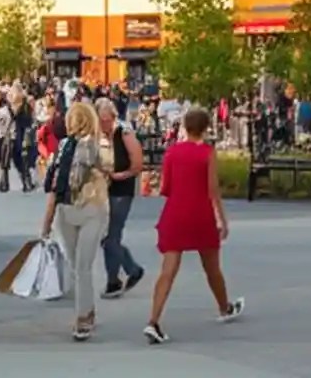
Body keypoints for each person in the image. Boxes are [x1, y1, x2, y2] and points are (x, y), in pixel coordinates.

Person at [144, 109, 244, 344]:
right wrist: (222, 218)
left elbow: (166, 187)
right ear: (206, 128)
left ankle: (153, 320)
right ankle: (224, 307)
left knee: (168, 271)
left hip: (175, 214)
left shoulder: (172, 152)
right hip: (200, 215)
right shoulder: (207, 153)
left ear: (184, 127)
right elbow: (212, 189)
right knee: (212, 267)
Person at [41, 101, 112, 341]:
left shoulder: (89, 146)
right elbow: (56, 183)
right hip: (76, 209)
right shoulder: (70, 147)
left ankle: (83, 316)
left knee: (81, 266)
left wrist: (46, 222)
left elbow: (55, 186)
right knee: (78, 266)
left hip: (80, 209)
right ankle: (87, 311)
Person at [95, 98, 147, 299]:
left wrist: (120, 175)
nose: (104, 124)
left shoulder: (124, 132)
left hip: (121, 190)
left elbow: (137, 164)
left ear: (113, 117)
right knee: (106, 236)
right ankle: (129, 271)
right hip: (103, 189)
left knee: (111, 236)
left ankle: (114, 281)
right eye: (100, 120)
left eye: (106, 120)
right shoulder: (98, 136)